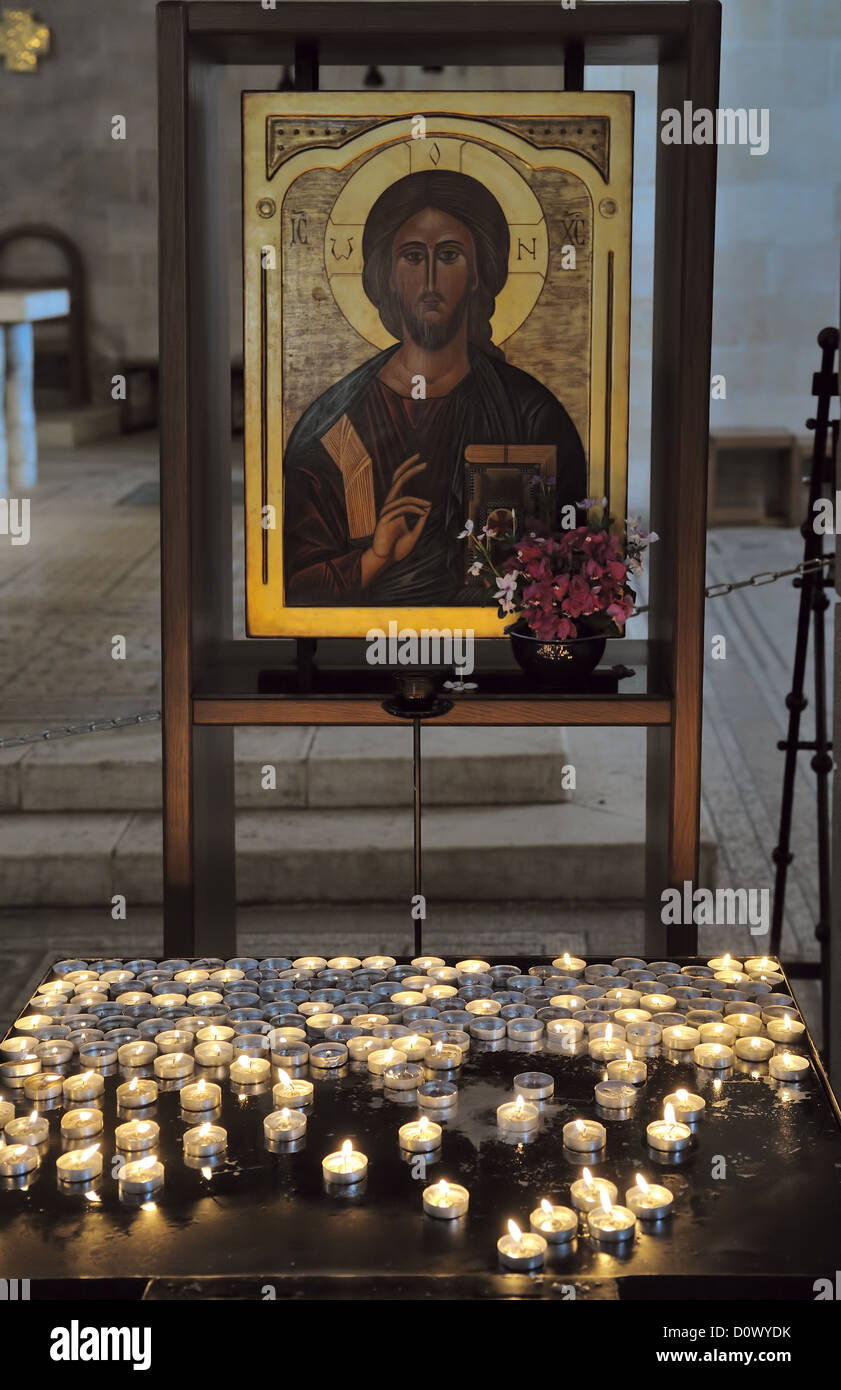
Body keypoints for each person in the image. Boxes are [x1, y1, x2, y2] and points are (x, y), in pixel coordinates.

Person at [283, 168, 586, 605]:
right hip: (365, 641)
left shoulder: (532, 415)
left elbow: (569, 562)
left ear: (478, 272)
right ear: (387, 274)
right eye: (412, 257)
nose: (429, 282)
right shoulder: (332, 430)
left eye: (448, 255)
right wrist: (374, 559)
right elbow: (296, 588)